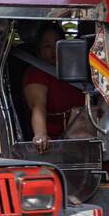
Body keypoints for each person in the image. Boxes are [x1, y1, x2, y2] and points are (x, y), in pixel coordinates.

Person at [21, 22, 84, 152]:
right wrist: (41, 135)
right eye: (47, 46)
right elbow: (38, 106)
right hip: (55, 143)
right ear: (38, 51)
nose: (53, 49)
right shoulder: (36, 73)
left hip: (81, 137)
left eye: (57, 43)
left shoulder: (75, 70)